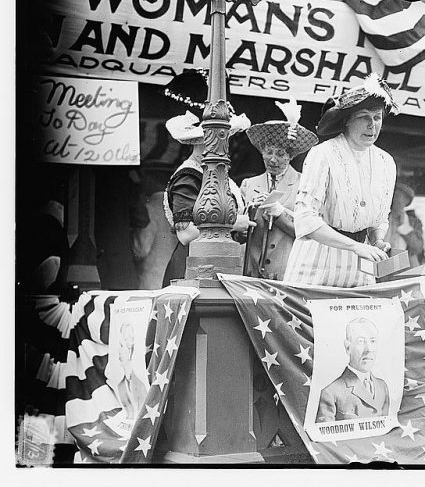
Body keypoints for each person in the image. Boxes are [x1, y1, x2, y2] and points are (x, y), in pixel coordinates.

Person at [283, 74, 400, 288]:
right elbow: (305, 219)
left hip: (360, 271)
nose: (371, 125)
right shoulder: (323, 154)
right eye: (363, 116)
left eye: (377, 117)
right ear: (346, 120)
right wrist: (355, 247)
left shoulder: (386, 162)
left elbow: (379, 219)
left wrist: (377, 240)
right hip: (317, 266)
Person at [161, 109, 252, 286]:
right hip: (194, 268)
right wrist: (234, 223)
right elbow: (186, 233)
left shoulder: (216, 173)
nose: (224, 145)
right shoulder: (187, 177)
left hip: (220, 264)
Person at [240, 99, 318, 280]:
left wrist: (279, 214)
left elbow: (307, 232)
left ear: (290, 156)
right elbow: (239, 236)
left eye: (280, 153)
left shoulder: (304, 184)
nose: (273, 159)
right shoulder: (249, 185)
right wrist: (244, 225)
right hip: (251, 273)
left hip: (287, 273)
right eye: (268, 152)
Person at [316, 317, 390, 422]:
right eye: (361, 341)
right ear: (348, 348)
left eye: (373, 341)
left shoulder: (382, 387)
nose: (369, 349)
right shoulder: (330, 393)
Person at [114, 322, 149, 420]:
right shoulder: (120, 386)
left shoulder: (141, 385)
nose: (118, 350)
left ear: (130, 349)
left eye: (122, 345)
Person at [386, 182, 425, 267]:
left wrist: (404, 227)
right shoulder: (383, 218)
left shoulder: (413, 221)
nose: (395, 200)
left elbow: (417, 248)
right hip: (384, 264)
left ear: (406, 201)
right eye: (394, 196)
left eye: (399, 196)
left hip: (405, 266)